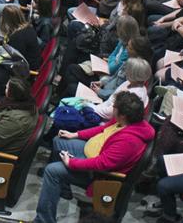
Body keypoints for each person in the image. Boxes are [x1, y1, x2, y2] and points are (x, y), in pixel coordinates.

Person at [34, 90, 154, 223]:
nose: (112, 109)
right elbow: (102, 129)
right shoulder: (127, 121)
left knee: (52, 171)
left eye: (114, 108)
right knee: (59, 140)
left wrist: (71, 163)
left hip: (98, 173)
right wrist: (76, 134)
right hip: (95, 150)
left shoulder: (128, 141)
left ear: (123, 115)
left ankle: (43, 220)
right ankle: (64, 188)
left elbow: (102, 164)